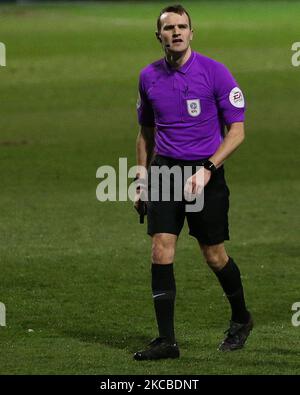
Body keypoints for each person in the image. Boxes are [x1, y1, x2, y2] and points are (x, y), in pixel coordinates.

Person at [133, 4, 253, 361]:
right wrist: (140, 178)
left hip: (206, 175)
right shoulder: (148, 77)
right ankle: (167, 341)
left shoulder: (215, 72)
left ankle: (242, 319)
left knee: (213, 255)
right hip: (166, 172)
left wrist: (208, 168)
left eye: (182, 26)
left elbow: (238, 132)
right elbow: (145, 133)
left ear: (191, 32)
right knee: (160, 248)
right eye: (169, 28)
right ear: (159, 36)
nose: (177, 32)